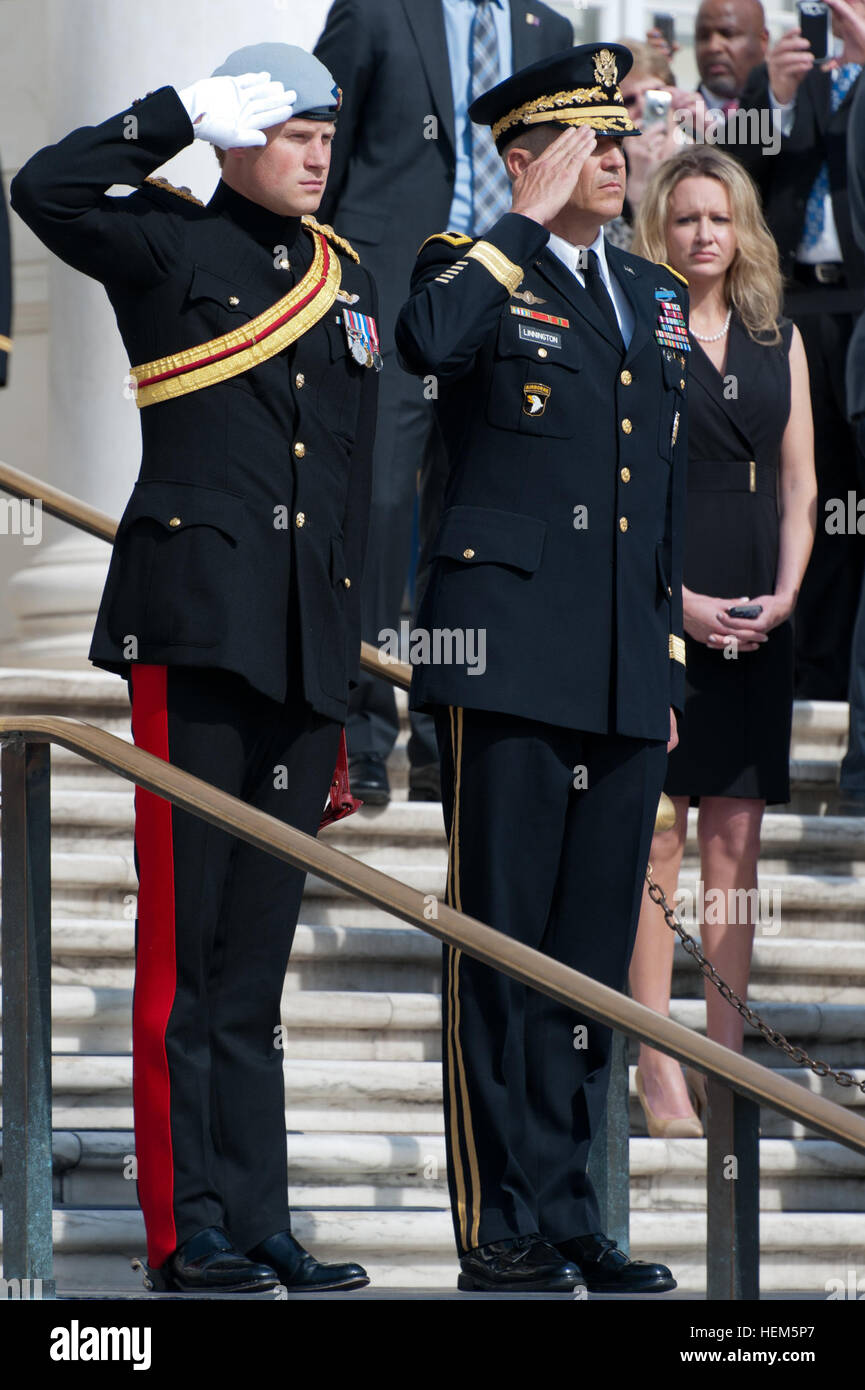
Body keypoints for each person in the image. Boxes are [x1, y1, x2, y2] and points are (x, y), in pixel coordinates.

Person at [11, 44, 378, 1294]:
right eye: (290, 130)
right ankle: (185, 1230)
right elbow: (45, 190)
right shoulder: (166, 246)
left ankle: (261, 1216)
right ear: (234, 137)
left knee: (256, 964)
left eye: (327, 131)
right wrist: (171, 115)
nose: (318, 151)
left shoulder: (346, 279)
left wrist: (355, 694)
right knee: (183, 952)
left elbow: (346, 495)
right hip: (194, 629)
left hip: (301, 650)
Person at [396, 42, 687, 1295]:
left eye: (621, 137)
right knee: (500, 944)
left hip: (622, 668)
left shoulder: (648, 293)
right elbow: (423, 347)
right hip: (505, 660)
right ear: (525, 160)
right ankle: (499, 1220)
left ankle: (572, 1207)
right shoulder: (468, 267)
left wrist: (663, 664)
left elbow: (658, 491)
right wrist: (514, 220)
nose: (614, 157)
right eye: (586, 140)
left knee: (581, 965)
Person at [314, 0, 572, 805]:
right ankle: (358, 733)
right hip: (392, 298)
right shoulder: (376, 10)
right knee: (381, 507)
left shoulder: (548, 32)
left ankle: (445, 732)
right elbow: (325, 153)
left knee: (474, 522)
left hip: (509, 305)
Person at [629, 146, 816, 1134]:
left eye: (718, 218)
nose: (703, 234)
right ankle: (656, 1068)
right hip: (662, 604)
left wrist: (785, 592)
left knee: (734, 844)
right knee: (658, 835)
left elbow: (799, 484)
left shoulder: (774, 333)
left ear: (740, 228)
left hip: (757, 611)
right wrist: (677, 605)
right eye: (686, 217)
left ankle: (724, 1057)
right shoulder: (635, 328)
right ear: (659, 226)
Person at [735, 6, 865, 701]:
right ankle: (813, 669)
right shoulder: (788, 76)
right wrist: (777, 100)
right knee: (811, 487)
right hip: (799, 304)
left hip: (862, 299)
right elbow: (731, 176)